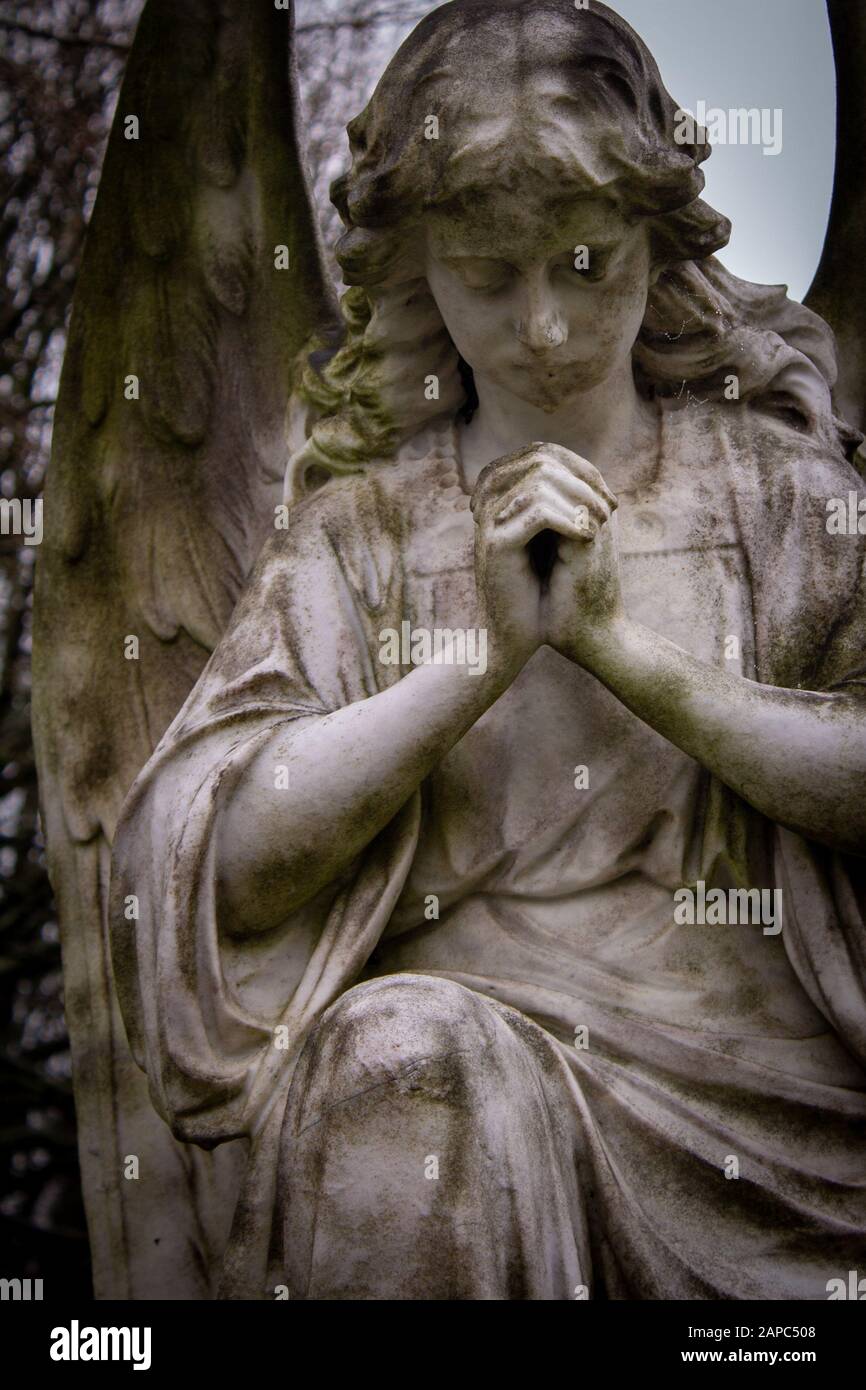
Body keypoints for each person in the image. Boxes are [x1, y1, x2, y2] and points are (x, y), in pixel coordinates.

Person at [111, 0, 866, 1299]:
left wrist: (620, 651)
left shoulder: (778, 497)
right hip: (453, 1083)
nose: (545, 326)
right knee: (397, 1057)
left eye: (586, 262)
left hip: (775, 1117)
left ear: (655, 235)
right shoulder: (361, 533)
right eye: (488, 271)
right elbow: (208, 859)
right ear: (418, 269)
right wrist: (475, 659)